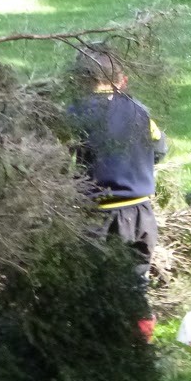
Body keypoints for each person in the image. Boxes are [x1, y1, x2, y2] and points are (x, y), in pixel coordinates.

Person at [67, 46, 168, 341]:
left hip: (98, 215)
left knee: (94, 280)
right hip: (141, 214)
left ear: (79, 80)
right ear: (122, 81)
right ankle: (141, 341)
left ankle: (98, 341)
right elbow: (159, 148)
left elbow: (57, 154)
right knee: (136, 280)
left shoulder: (76, 113)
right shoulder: (140, 111)